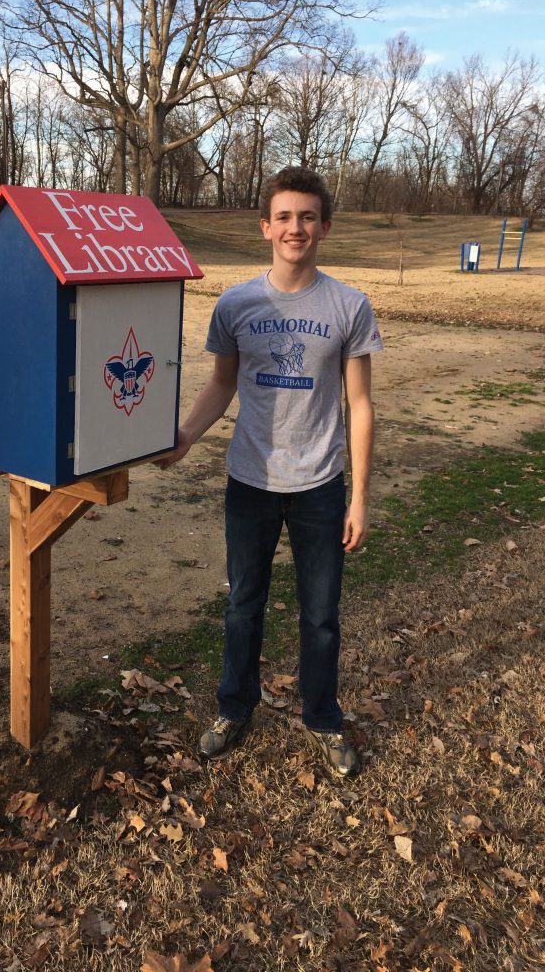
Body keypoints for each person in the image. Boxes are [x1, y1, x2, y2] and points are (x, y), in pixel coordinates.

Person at [158, 166, 383, 776]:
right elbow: (222, 384)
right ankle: (235, 707)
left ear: (324, 227)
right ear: (265, 227)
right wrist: (183, 435)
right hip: (250, 482)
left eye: (307, 217)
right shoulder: (235, 304)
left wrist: (359, 497)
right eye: (284, 216)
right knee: (242, 605)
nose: (296, 228)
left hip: (320, 486)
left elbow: (359, 405)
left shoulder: (349, 306)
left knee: (320, 615)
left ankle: (323, 718)